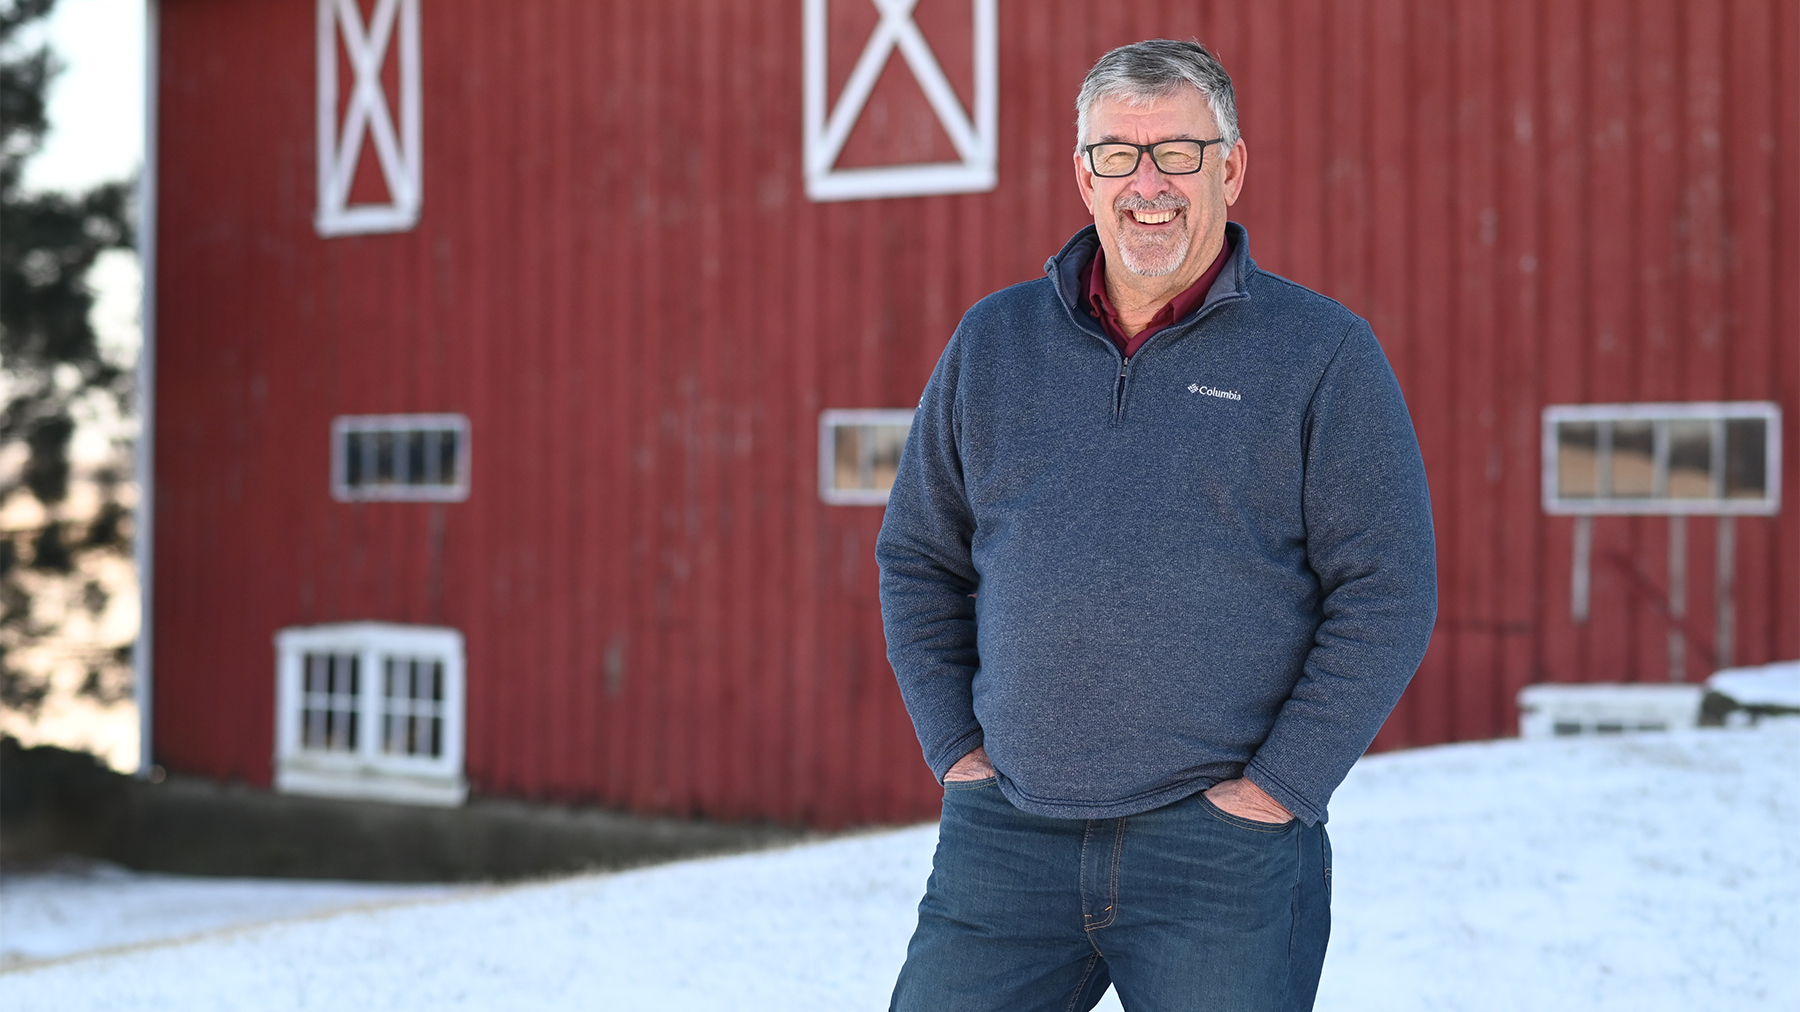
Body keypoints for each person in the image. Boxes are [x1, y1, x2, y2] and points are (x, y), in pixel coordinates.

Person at [874, 39, 1438, 1012]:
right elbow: (918, 557)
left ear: (1231, 166)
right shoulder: (993, 343)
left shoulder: (1321, 353)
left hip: (1218, 852)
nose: (1149, 185)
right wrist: (955, 750)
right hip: (1009, 839)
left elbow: (1387, 586)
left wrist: (1276, 790)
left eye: (1178, 152)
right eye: (1118, 154)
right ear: (1082, 173)